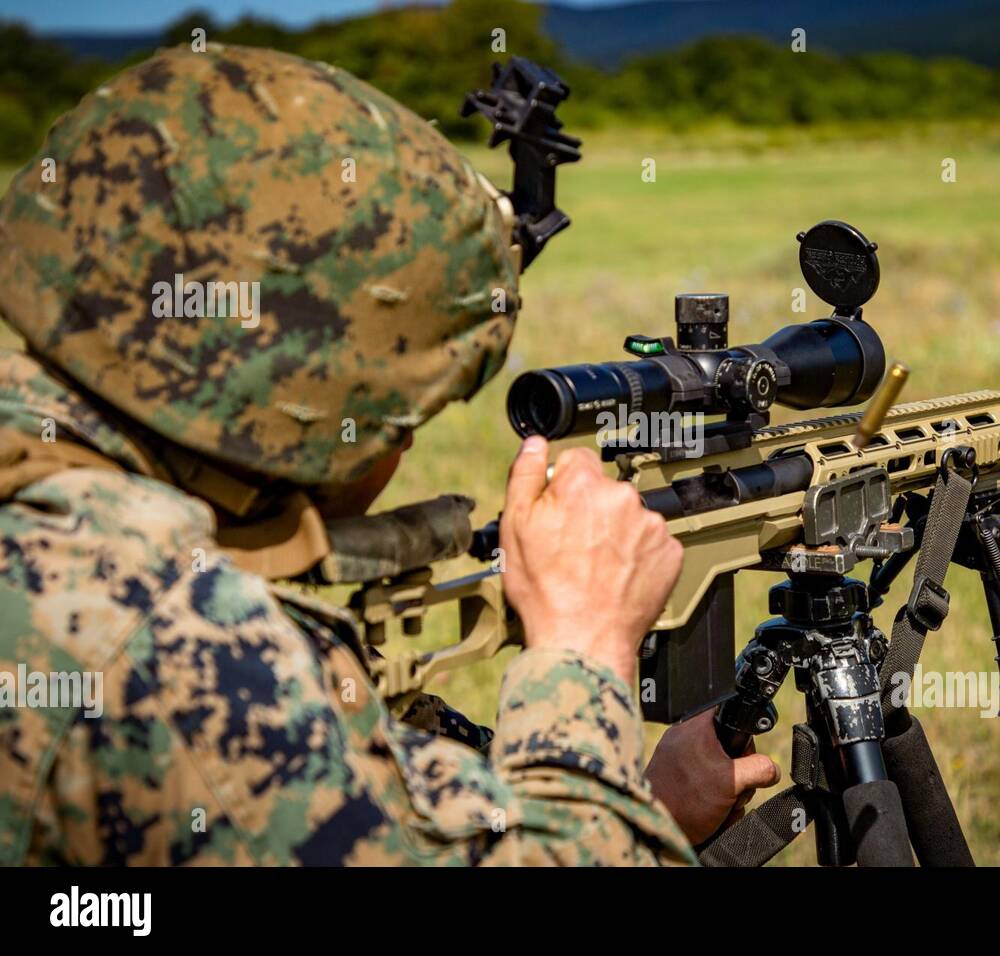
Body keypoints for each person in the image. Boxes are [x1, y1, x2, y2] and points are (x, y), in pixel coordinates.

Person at [0, 43, 777, 866]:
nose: (404, 446)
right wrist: (582, 649)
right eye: (404, 419)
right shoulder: (161, 647)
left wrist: (626, 807)